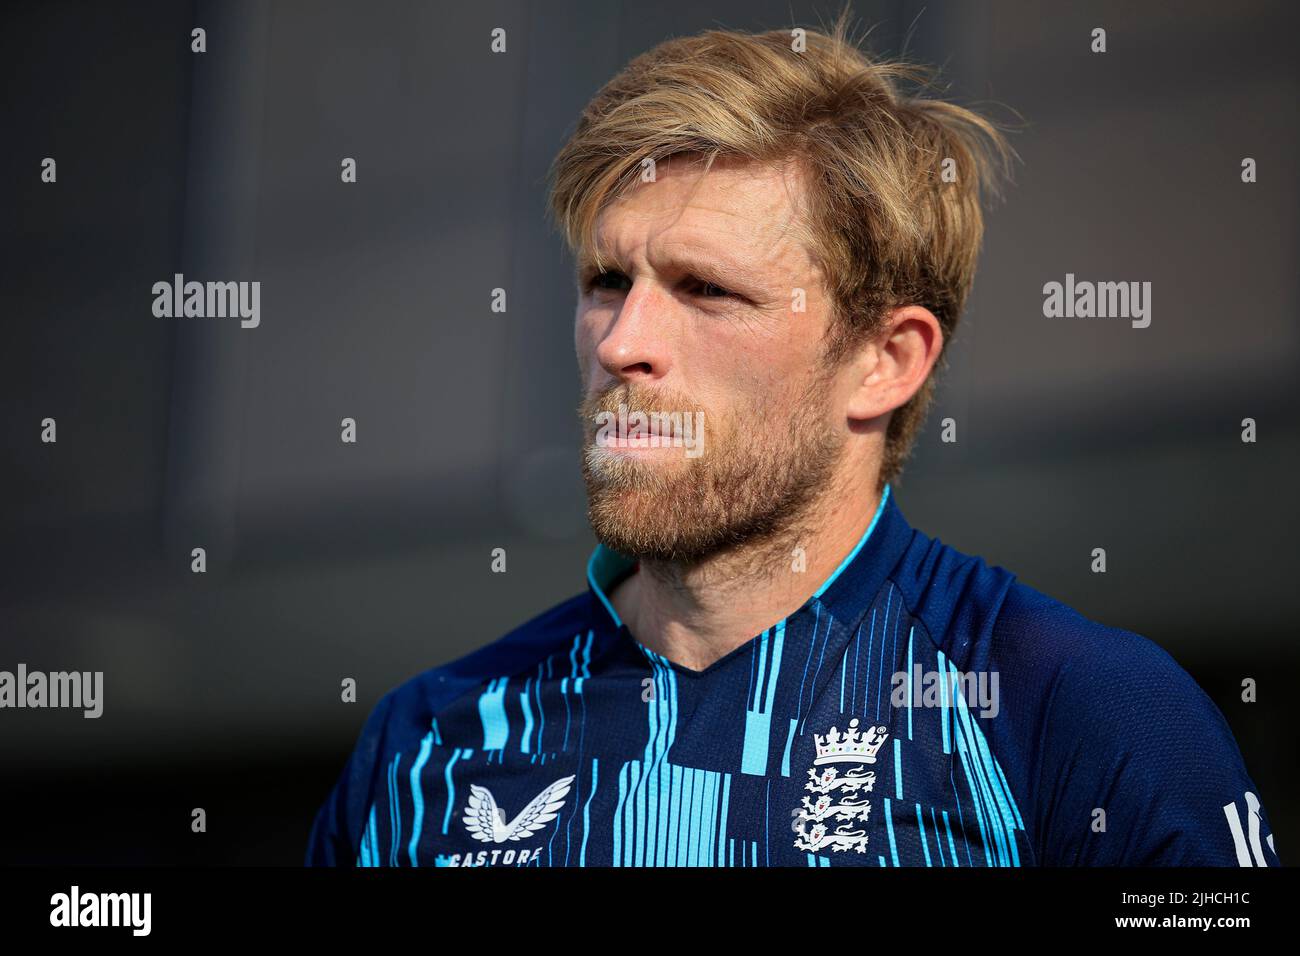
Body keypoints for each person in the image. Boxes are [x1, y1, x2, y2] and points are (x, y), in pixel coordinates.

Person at [306, 17, 1279, 868]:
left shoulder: (1077, 710)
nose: (622, 343)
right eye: (607, 280)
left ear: (884, 360)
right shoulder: (429, 745)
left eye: (706, 290)